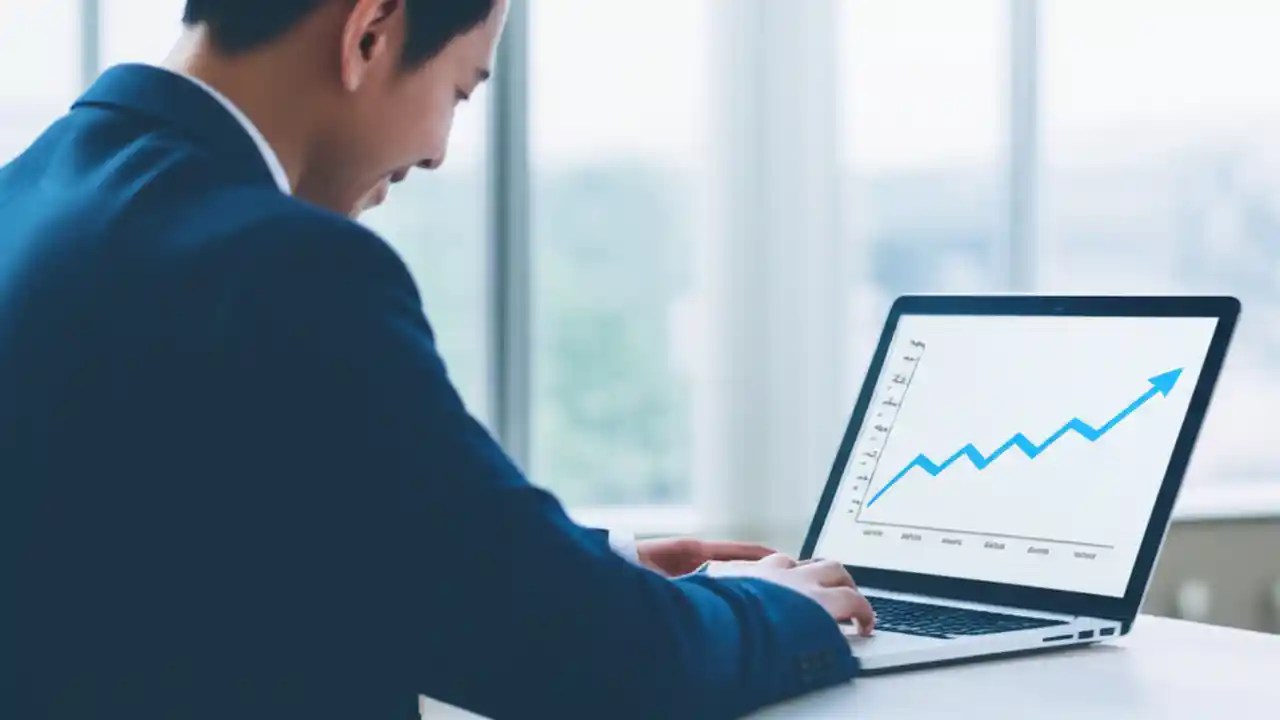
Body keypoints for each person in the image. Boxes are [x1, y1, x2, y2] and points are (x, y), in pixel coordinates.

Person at [2, 1, 874, 717]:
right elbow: (573, 660)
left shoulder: (30, 199)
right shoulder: (283, 266)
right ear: (369, 31)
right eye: (460, 91)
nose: (436, 152)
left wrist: (594, 561)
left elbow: (242, 542)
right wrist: (779, 612)